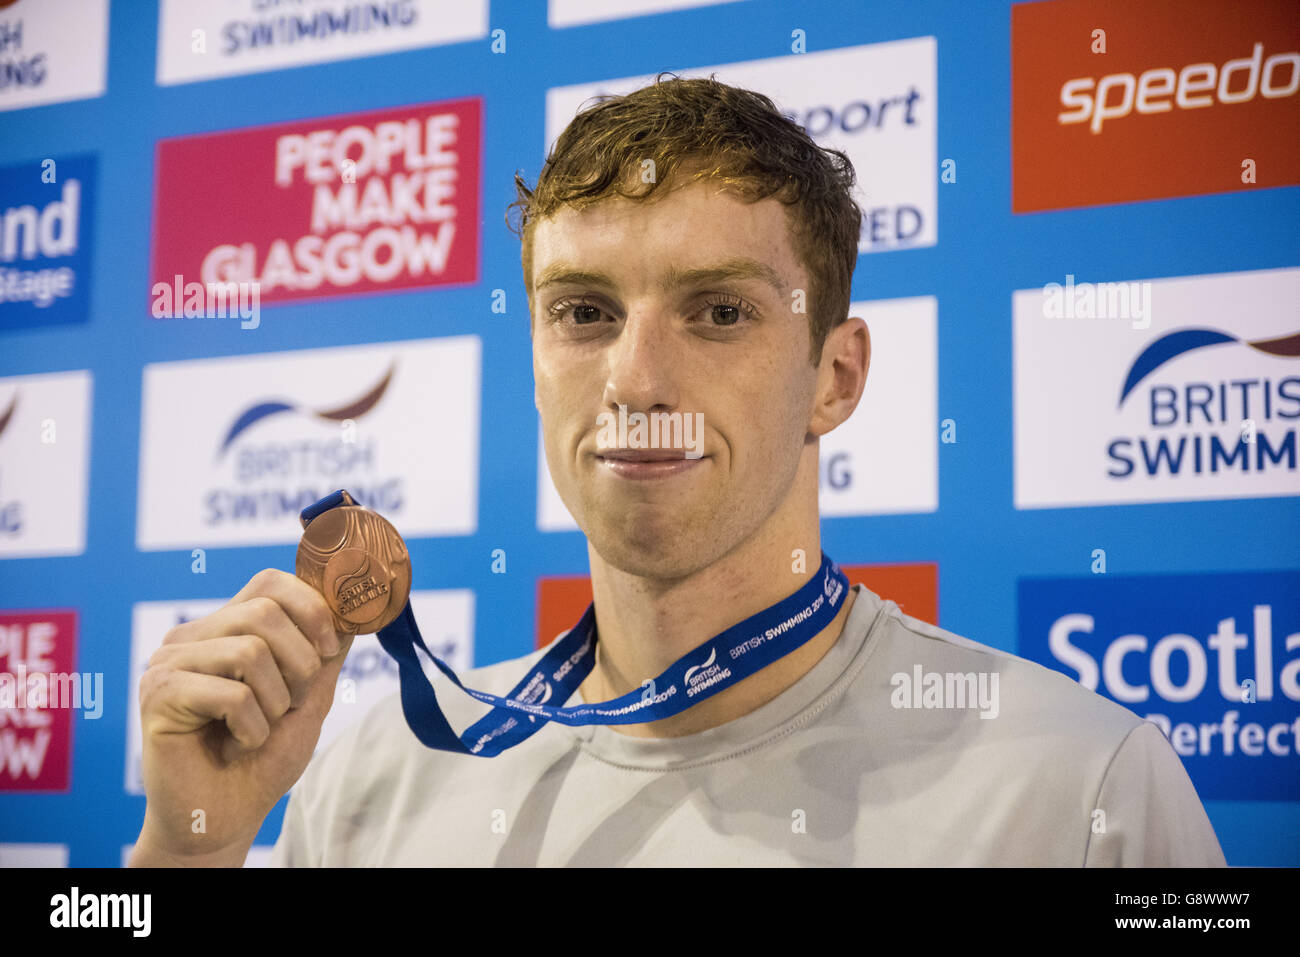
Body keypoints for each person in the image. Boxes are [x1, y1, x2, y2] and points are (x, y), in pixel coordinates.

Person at [128, 74, 1226, 867]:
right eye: (584, 313)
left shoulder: (1083, 789)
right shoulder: (380, 769)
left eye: (718, 312)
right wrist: (188, 851)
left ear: (834, 377)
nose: (635, 381)